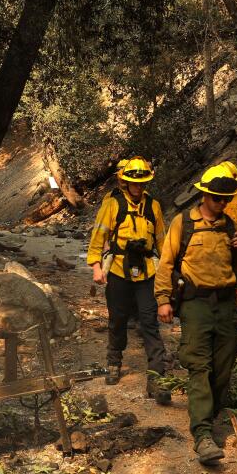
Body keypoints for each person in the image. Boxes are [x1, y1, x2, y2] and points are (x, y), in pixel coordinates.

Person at [155, 165, 237, 464]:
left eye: (227, 199)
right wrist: (163, 300)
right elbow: (166, 263)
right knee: (199, 365)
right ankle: (203, 435)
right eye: (218, 199)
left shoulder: (232, 225)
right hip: (195, 304)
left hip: (225, 303)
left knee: (225, 364)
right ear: (205, 195)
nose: (223, 204)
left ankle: (214, 407)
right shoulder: (183, 223)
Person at [86, 157, 172, 405]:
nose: (138, 187)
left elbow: (161, 240)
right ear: (125, 182)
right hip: (119, 271)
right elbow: (98, 235)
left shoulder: (153, 206)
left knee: (149, 322)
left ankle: (157, 378)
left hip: (147, 272)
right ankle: (114, 360)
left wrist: (167, 270)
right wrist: (95, 267)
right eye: (134, 182)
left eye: (142, 182)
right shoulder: (112, 204)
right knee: (118, 319)